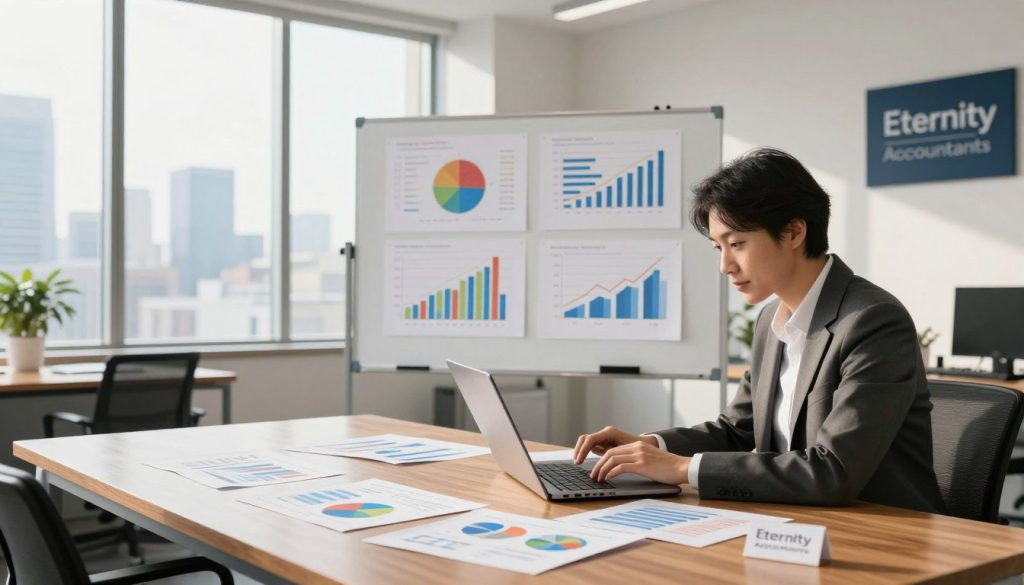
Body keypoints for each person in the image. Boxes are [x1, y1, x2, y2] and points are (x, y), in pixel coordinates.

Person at [573, 148, 944, 513]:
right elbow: (737, 429)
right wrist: (650, 445)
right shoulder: (772, 320)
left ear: (794, 231)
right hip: (796, 520)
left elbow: (834, 472)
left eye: (737, 244)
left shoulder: (872, 321)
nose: (725, 265)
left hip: (883, 534)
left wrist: (683, 469)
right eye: (718, 247)